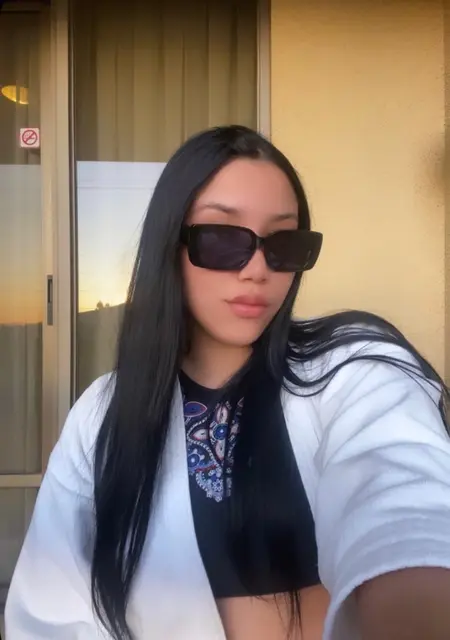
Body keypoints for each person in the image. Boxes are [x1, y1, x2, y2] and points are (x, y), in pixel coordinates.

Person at [5, 125, 450, 640]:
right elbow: (47, 613)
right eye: (222, 238)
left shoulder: (352, 366)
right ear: (170, 244)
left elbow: (404, 497)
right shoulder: (103, 412)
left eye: (284, 243)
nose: (258, 269)